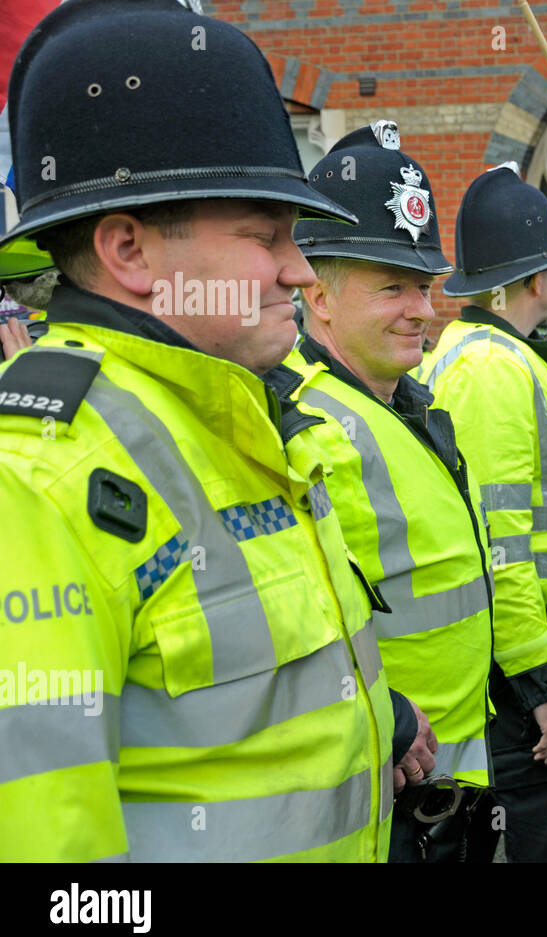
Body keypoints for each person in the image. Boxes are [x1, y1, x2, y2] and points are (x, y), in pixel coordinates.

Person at [0, 0, 428, 861]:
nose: (300, 269)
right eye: (263, 235)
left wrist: (382, 717)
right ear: (131, 252)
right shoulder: (39, 479)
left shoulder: (238, 414)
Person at [284, 124, 496, 862]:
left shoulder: (405, 402)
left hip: (449, 782)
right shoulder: (305, 417)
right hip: (381, 799)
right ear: (319, 296)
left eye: (425, 285)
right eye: (393, 286)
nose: (423, 308)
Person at [417, 164, 547, 862]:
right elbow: (501, 543)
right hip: (515, 685)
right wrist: (540, 681)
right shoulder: (494, 369)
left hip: (525, 651)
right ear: (540, 279)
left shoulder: (485, 357)